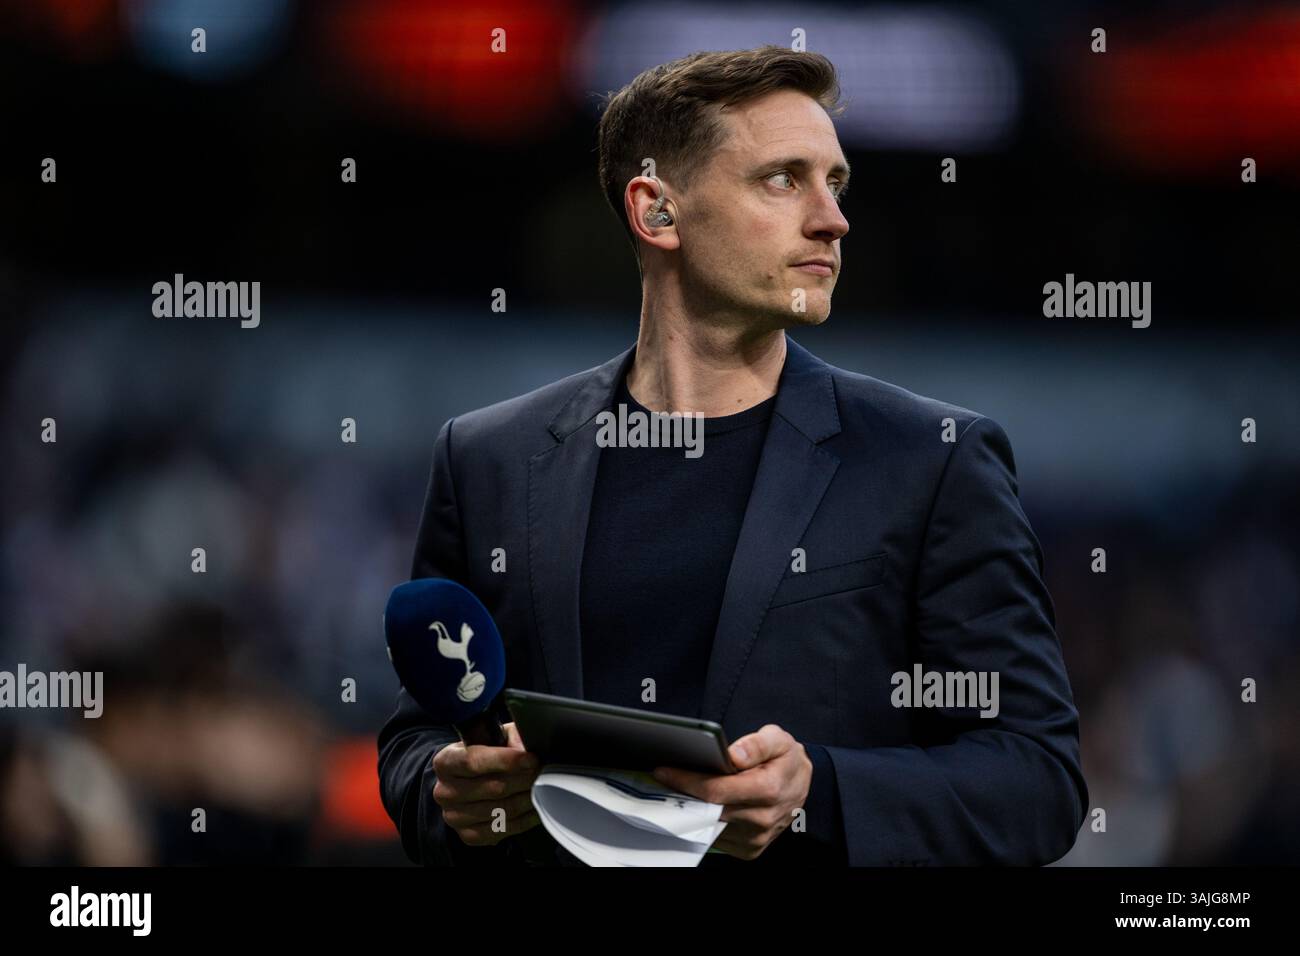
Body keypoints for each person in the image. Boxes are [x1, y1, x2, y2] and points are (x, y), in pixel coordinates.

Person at [378, 45, 1087, 866]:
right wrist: (450, 792)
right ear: (658, 212)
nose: (833, 218)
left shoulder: (933, 462)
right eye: (784, 179)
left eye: (837, 182)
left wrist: (815, 793)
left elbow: (1039, 780)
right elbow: (418, 737)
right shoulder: (488, 457)